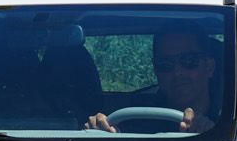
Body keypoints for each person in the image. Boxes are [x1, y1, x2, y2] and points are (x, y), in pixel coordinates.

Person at [84, 25, 223, 133]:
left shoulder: (231, 119)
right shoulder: (135, 116)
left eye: (189, 60)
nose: (177, 72)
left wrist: (214, 134)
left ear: (209, 67)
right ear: (156, 70)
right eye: (165, 63)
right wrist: (101, 130)